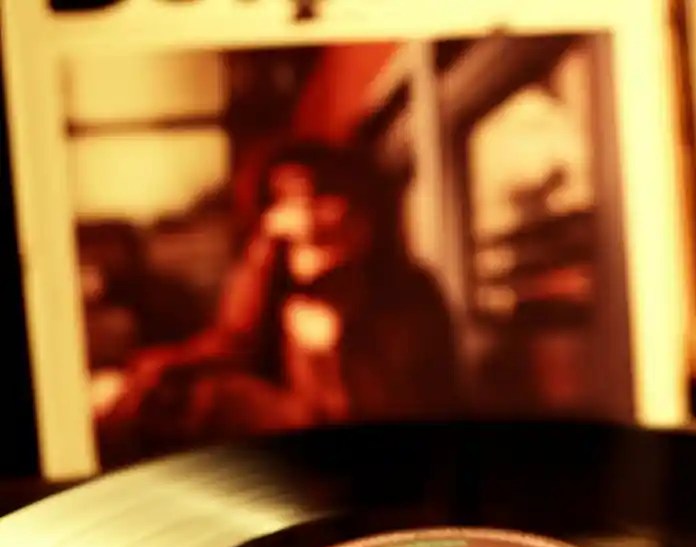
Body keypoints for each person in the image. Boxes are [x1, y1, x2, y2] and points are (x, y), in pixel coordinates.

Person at [97, 142, 460, 466]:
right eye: (283, 199)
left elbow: (412, 409)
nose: (297, 214)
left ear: (352, 209)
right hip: (290, 455)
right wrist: (140, 374)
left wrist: (341, 344)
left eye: (311, 196)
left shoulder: (406, 290)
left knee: (216, 402)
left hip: (369, 456)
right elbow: (233, 339)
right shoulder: (277, 271)